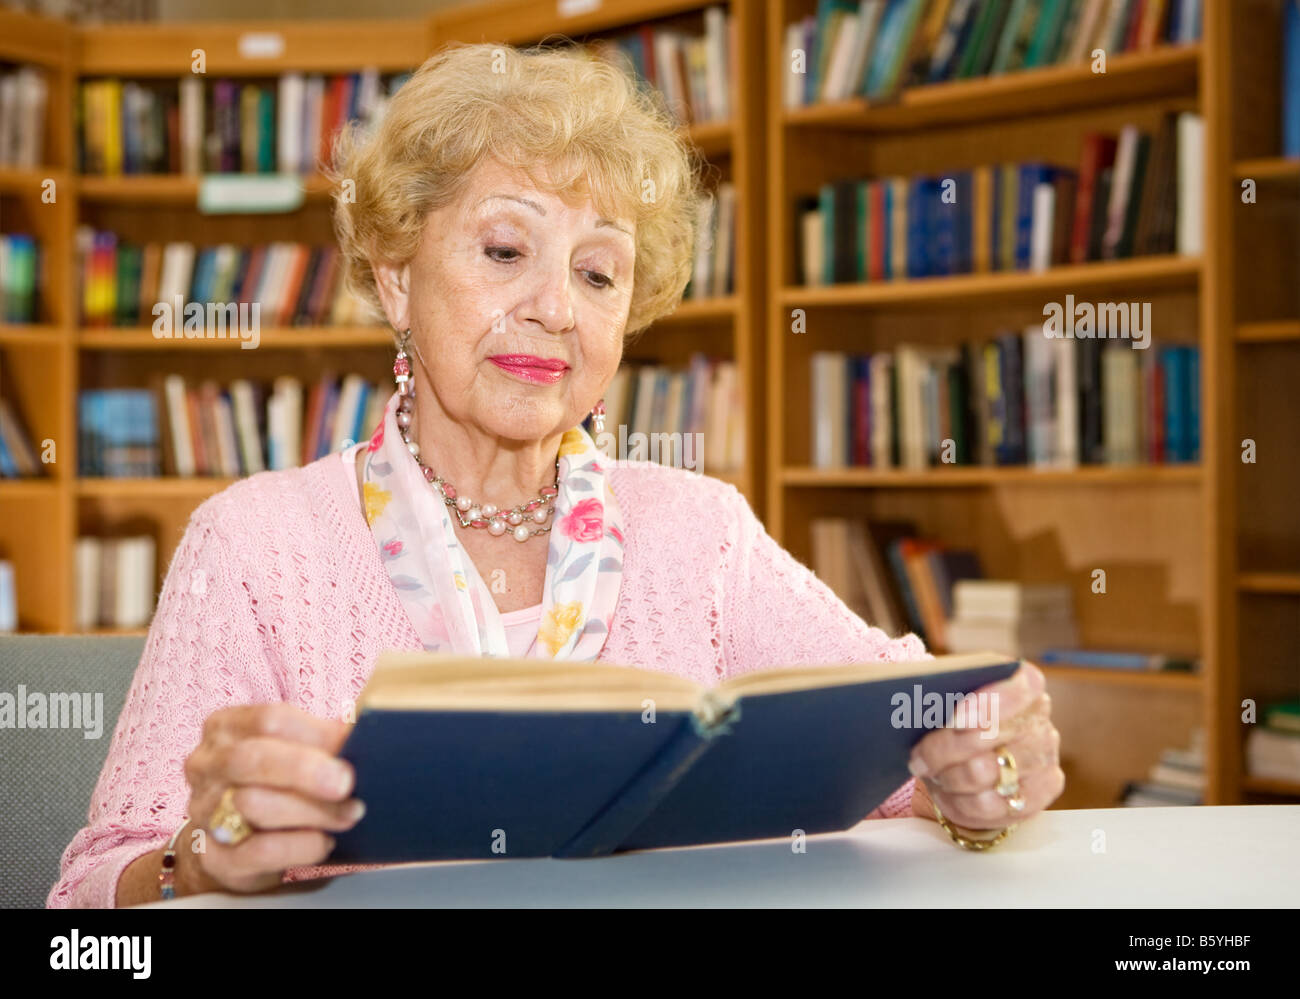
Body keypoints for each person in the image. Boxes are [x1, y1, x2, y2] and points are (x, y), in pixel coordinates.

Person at [49, 42, 1063, 908]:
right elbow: (92, 893)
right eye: (504, 250)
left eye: (596, 273)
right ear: (397, 274)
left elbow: (903, 733)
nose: (554, 309)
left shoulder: (700, 531)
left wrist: (979, 763)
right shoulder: (254, 542)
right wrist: (198, 863)